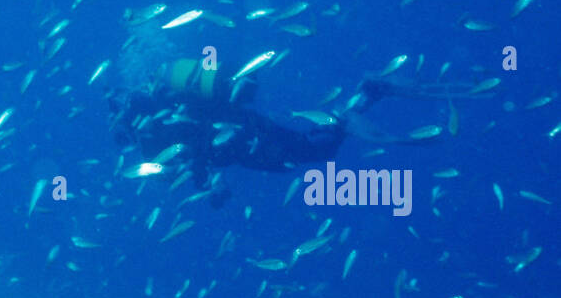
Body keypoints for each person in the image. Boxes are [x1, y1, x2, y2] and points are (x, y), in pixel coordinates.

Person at [109, 56, 474, 192]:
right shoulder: (161, 110)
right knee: (310, 148)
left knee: (318, 150)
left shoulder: (151, 136)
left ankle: (357, 105)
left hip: (244, 141)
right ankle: (365, 96)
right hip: (245, 126)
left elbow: (194, 154)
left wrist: (208, 183)